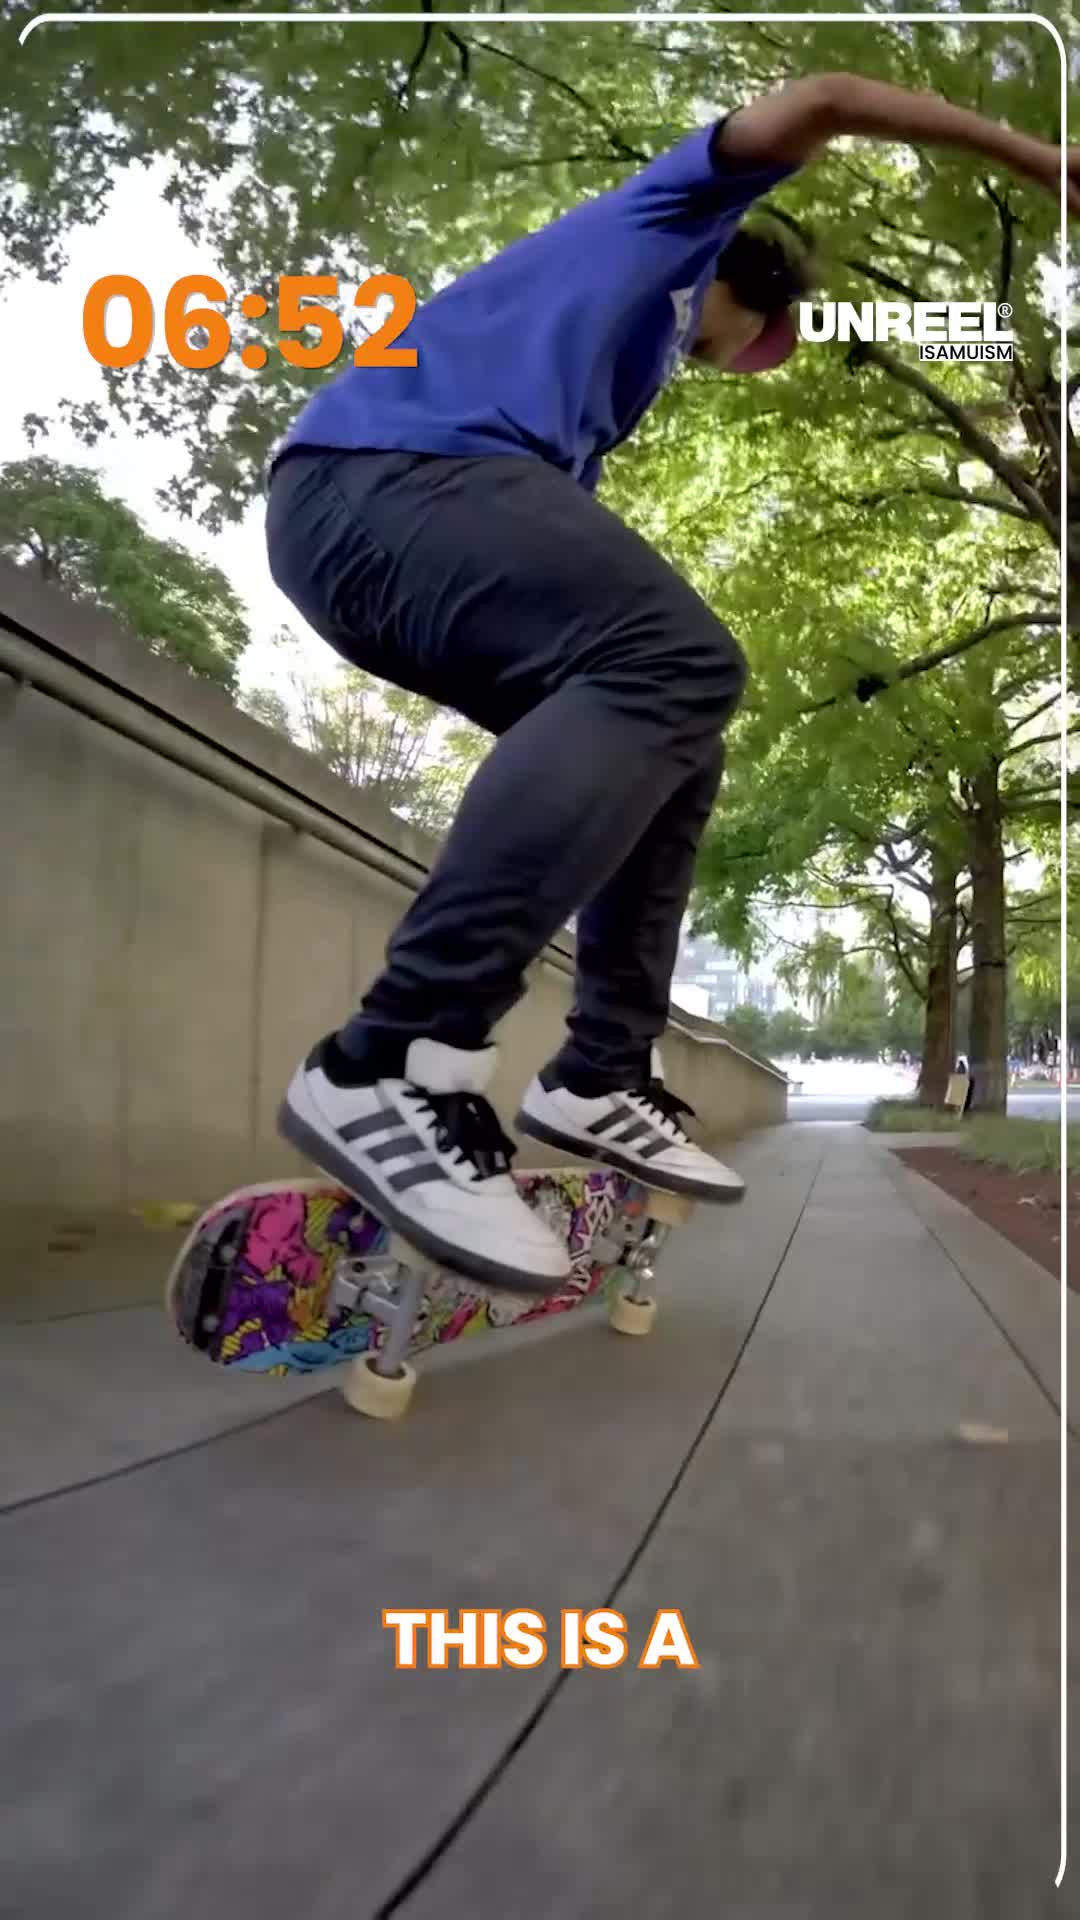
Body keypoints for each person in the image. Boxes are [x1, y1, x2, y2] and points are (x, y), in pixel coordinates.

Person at [266, 71, 1074, 1293]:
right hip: (380, 483)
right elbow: (829, 98)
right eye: (761, 346)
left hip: (390, 533)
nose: (742, 366)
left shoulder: (603, 394)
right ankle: (391, 1055)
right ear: (756, 304)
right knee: (681, 660)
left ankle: (598, 1070)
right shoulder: (675, 217)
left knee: (674, 738)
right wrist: (1037, 159)